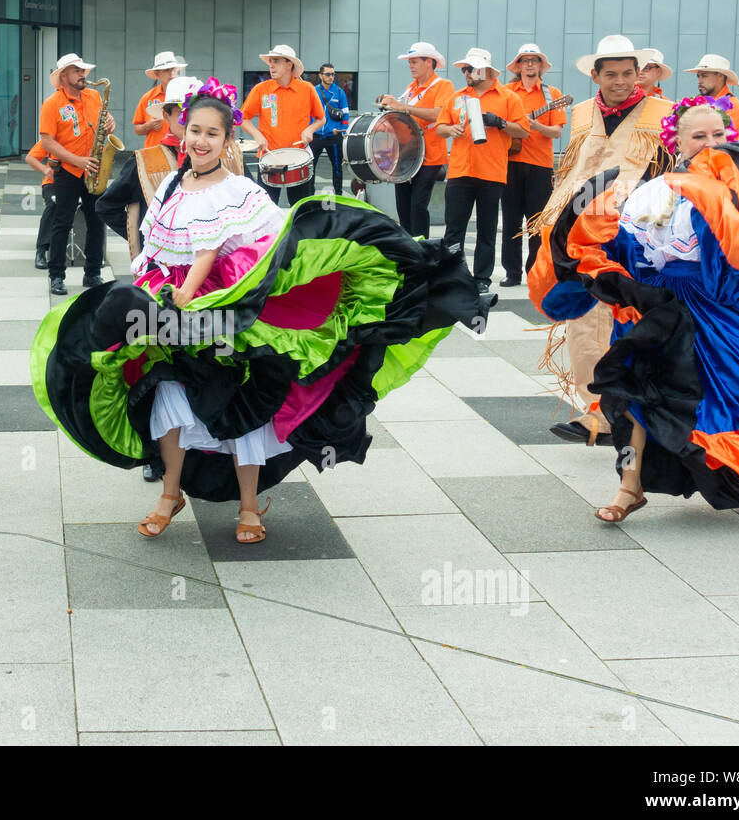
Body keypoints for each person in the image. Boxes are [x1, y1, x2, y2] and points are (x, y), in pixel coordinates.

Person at [30, 79, 489, 544]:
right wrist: (148, 282)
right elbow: (154, 244)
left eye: (213, 133)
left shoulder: (241, 192)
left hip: (223, 308)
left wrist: (185, 298)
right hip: (168, 301)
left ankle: (249, 505)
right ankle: (170, 493)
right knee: (164, 392)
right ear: (181, 131)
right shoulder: (169, 182)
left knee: (240, 397)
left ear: (229, 140)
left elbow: (245, 252)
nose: (201, 141)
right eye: (194, 130)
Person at [533, 101, 739, 521]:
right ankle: (627, 489)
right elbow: (632, 246)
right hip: (656, 306)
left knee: (723, 399)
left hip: (713, 311)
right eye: (699, 137)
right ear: (677, 141)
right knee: (636, 395)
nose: (712, 143)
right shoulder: (656, 190)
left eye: (719, 136)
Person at [526, 34, 674, 446]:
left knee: (626, 320)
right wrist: (553, 225)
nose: (622, 82)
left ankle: (631, 411)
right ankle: (599, 410)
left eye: (629, 73)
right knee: (583, 318)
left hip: (634, 232)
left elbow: (673, 172)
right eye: (612, 74)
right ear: (596, 75)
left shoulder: (664, 112)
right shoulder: (582, 112)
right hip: (577, 231)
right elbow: (572, 170)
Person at [434, 47, 530, 292]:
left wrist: (500, 123)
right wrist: (451, 130)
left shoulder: (507, 97)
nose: (466, 72)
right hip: (459, 170)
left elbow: (524, 130)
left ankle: (481, 280)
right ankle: (451, 277)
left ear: (486, 70)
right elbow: (440, 126)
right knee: (454, 229)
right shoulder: (457, 96)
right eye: (464, 68)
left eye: (470, 68)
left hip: (491, 172)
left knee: (486, 231)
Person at [39, 52, 116, 296]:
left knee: (97, 221)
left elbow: (105, 121)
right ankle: (57, 276)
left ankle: (92, 272)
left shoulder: (94, 96)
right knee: (62, 223)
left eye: (83, 70)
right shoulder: (51, 104)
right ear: (63, 76)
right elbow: (47, 142)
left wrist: (110, 122)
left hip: (94, 167)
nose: (83, 74)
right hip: (68, 171)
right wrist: (77, 160)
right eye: (77, 71)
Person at [97, 75, 199, 253]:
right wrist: (144, 238)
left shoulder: (224, 158)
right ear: (166, 116)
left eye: (197, 111)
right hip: (161, 265)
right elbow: (106, 206)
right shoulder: (141, 163)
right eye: (183, 113)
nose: (190, 120)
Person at [500, 44, 566, 287]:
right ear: (518, 66)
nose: (529, 64)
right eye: (524, 60)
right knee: (510, 220)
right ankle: (512, 272)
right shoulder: (506, 92)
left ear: (540, 65)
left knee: (537, 223)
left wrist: (535, 126)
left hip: (540, 165)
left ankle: (535, 272)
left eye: (534, 60)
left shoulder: (552, 94)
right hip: (509, 161)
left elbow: (557, 132)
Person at [379, 42, 456, 239]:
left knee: (417, 206)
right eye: (410, 62)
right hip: (405, 154)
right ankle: (408, 249)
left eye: (414, 62)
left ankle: (421, 250)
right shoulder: (411, 89)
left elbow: (439, 114)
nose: (411, 66)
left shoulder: (443, 86)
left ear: (429, 62)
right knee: (403, 207)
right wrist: (389, 104)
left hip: (430, 156)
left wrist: (403, 107)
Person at [241, 44, 326, 207]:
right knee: (266, 208)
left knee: (302, 209)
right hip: (269, 158)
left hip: (299, 158)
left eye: (276, 61)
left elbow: (321, 119)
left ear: (289, 64)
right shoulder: (261, 89)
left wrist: (310, 129)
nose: (271, 65)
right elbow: (241, 118)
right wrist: (257, 135)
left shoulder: (307, 89)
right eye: (270, 61)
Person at [132, 51, 187, 149]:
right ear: (157, 74)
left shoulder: (187, 96)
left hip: (181, 151)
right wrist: (148, 126)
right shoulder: (147, 98)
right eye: (166, 70)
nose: (171, 73)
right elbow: (137, 130)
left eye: (173, 69)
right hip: (153, 153)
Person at [311, 63, 349, 195]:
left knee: (338, 168)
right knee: (310, 168)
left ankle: (338, 196)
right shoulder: (313, 91)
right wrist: (308, 129)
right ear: (321, 75)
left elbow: (345, 113)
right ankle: (310, 196)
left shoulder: (339, 92)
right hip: (315, 135)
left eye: (333, 74)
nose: (331, 77)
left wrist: (343, 130)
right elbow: (307, 111)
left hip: (334, 136)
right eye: (328, 74)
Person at [685, 54, 739, 133]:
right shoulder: (698, 100)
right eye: (698, 76)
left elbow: (719, 140)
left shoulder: (733, 106)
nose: (699, 81)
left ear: (720, 76)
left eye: (704, 76)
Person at [26, 141, 57, 269]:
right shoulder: (51, 138)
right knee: (53, 205)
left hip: (82, 182)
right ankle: (41, 250)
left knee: (96, 203)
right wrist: (45, 169)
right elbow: (30, 158)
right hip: (53, 182)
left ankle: (95, 254)